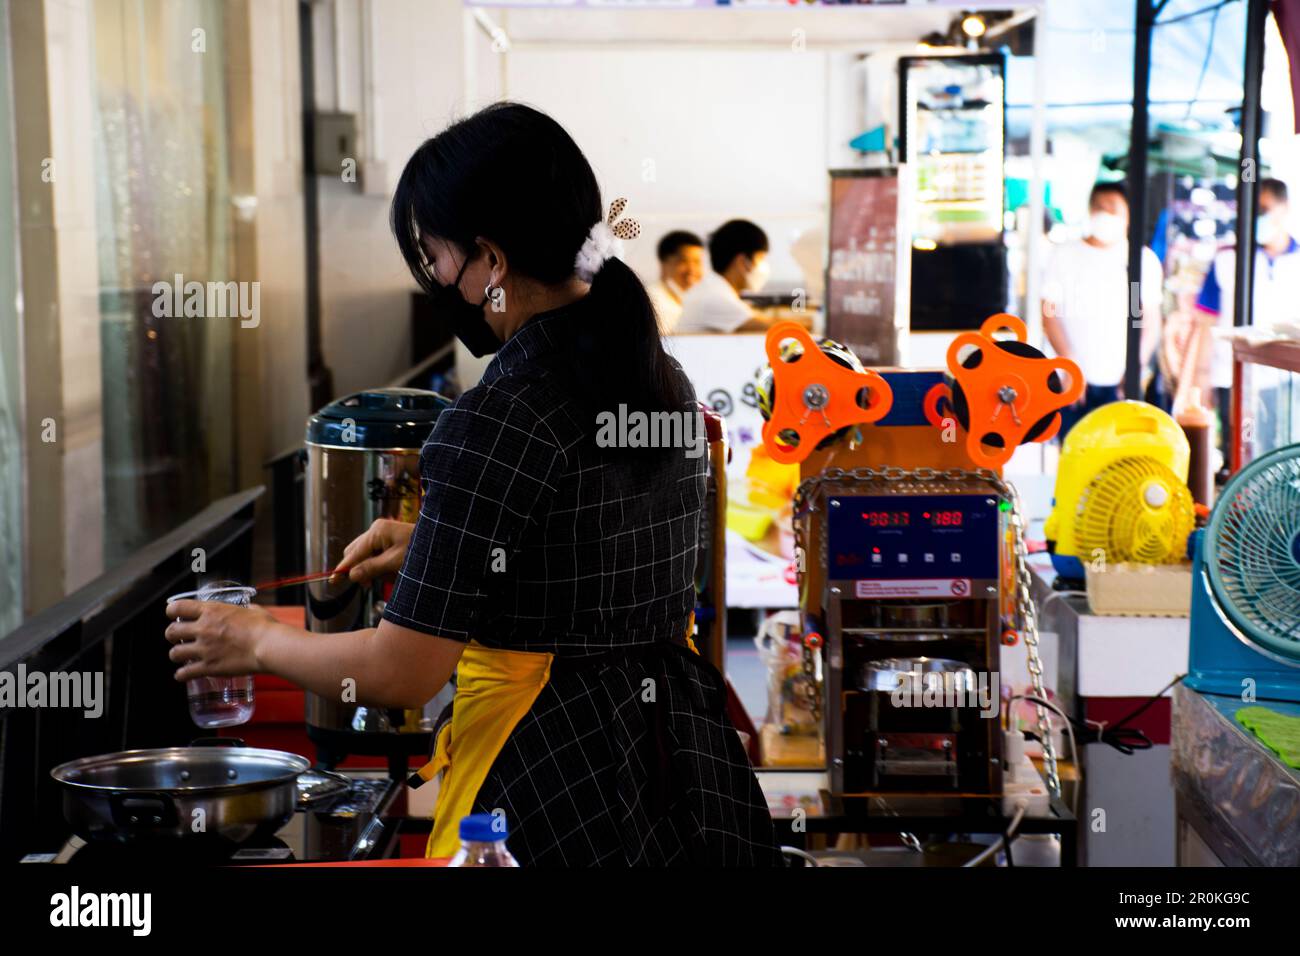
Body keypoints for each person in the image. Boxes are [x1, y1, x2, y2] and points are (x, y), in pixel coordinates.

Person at [165, 103, 781, 867]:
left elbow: (401, 672)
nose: (437, 281)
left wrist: (257, 637)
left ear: (489, 261)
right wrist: (436, 543)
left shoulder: (495, 417)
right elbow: (585, 543)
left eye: (435, 257)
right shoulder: (659, 378)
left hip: (552, 781)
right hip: (681, 764)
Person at [1041, 181, 1163, 437]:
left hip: (1121, 383)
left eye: (1112, 208)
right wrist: (1069, 362)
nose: (1104, 214)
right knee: (1075, 453)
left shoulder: (1142, 261)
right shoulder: (1063, 255)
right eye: (1099, 207)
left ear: (1128, 215)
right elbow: (1049, 313)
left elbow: (1149, 320)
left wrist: (1135, 367)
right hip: (1073, 381)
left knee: (1119, 458)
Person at [1194, 177, 1300, 454]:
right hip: (1231, 375)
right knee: (1238, 451)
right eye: (1252, 210)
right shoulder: (1226, 258)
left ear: (1285, 208)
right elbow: (1204, 321)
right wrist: (1200, 378)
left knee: (1279, 454)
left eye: (1264, 209)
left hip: (1283, 381)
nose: (1258, 218)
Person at [677, 219, 793, 333]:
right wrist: (810, 321)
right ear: (742, 261)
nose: (763, 266)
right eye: (760, 258)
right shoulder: (715, 297)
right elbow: (770, 326)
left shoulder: (715, 288)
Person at [646, 230, 704, 333]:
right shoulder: (654, 301)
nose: (692, 269)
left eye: (697, 262)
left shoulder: (688, 298)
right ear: (664, 265)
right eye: (683, 261)